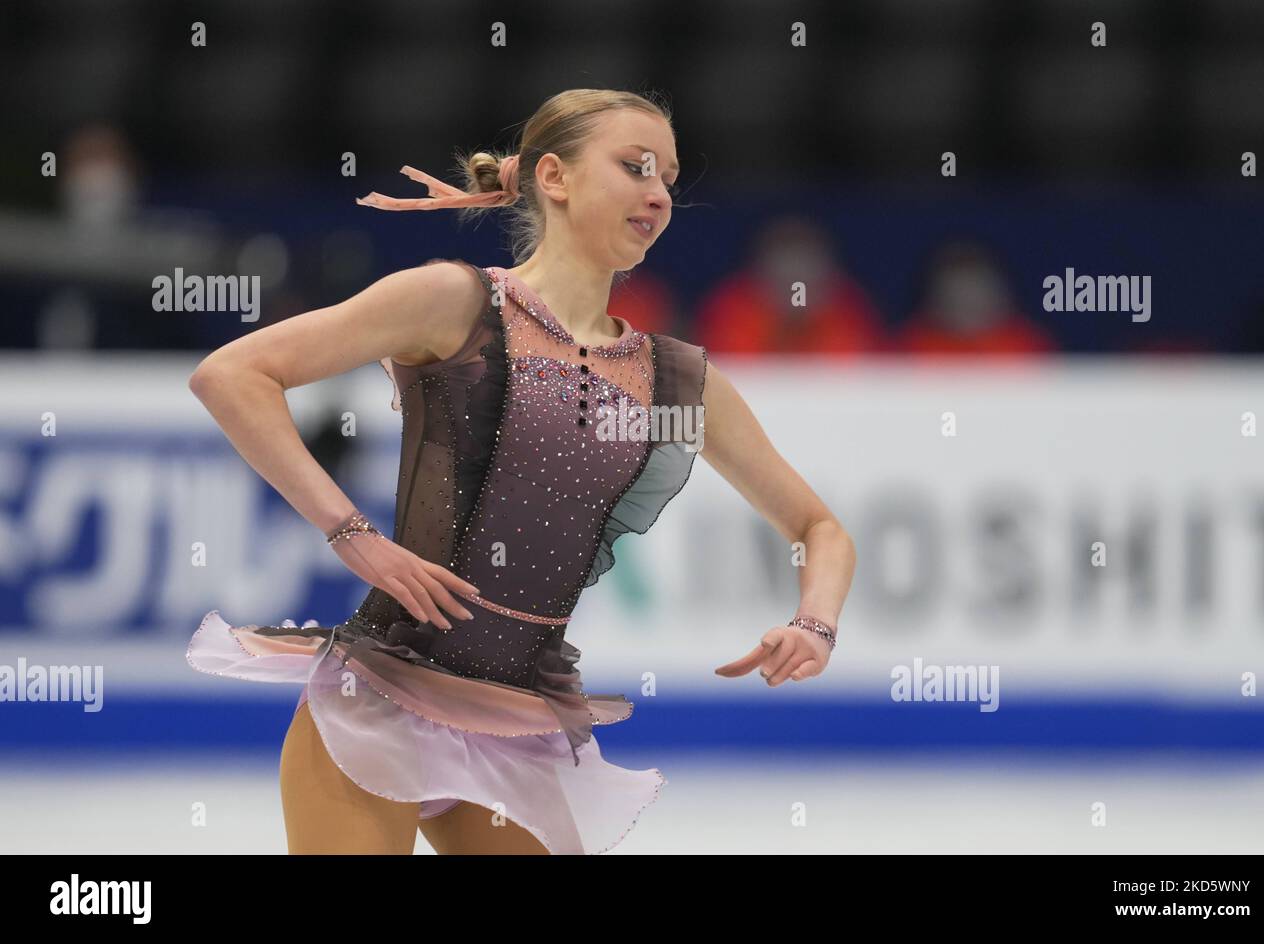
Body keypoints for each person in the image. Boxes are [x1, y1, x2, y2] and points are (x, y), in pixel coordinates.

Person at [185, 88, 856, 855]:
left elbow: (820, 528)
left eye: (668, 176)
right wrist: (351, 533)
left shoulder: (673, 383)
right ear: (554, 177)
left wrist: (815, 624)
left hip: (518, 719)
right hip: (380, 694)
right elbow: (232, 375)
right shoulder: (455, 303)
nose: (658, 192)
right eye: (635, 166)